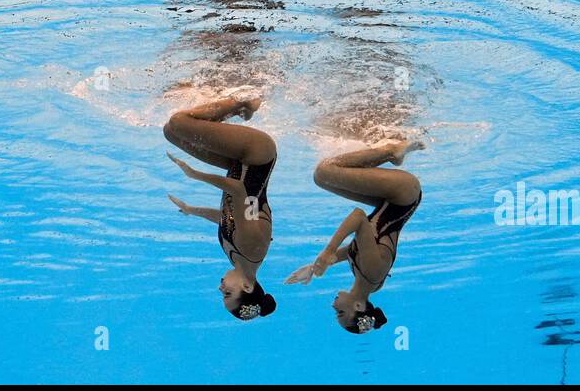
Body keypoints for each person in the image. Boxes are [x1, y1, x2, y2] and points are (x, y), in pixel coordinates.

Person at [286, 139, 423, 333]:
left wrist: (314, 267)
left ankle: (389, 153)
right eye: (341, 313)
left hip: (390, 201)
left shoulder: (368, 283)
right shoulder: (372, 272)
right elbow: (359, 217)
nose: (334, 308)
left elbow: (355, 250)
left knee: (321, 179)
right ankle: (391, 151)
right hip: (402, 193)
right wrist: (329, 250)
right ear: (358, 306)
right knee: (326, 171)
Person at [164, 95, 278, 320]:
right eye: (227, 293)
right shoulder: (252, 249)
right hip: (256, 154)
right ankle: (242, 101)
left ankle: (243, 111)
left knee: (171, 132)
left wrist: (191, 209)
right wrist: (196, 175)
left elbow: (226, 218)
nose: (220, 289)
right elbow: (237, 190)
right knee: (179, 122)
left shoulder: (238, 258)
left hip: (237, 162)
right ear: (246, 287)